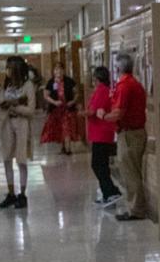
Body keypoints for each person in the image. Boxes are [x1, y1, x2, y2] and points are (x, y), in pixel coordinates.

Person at [99, 52, 147, 221]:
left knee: (130, 173)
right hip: (135, 132)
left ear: (118, 67)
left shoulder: (124, 86)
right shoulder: (135, 84)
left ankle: (136, 210)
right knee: (133, 171)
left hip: (129, 134)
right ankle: (136, 207)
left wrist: (103, 116)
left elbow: (118, 112)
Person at [0, 55, 36, 209]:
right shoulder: (5, 85)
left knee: (21, 160)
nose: (6, 71)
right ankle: (11, 193)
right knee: (7, 159)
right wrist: (6, 107)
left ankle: (22, 194)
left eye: (9, 68)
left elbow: (31, 110)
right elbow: (0, 106)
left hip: (22, 125)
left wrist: (15, 107)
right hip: (7, 125)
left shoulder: (28, 86)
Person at [85, 66, 122, 207]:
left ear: (98, 78)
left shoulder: (102, 91)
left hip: (101, 133)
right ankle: (108, 193)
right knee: (102, 165)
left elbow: (93, 111)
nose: (93, 80)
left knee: (97, 164)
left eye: (94, 77)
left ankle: (111, 191)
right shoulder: (102, 91)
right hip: (101, 133)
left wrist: (82, 113)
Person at [41, 62, 77, 155]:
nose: (58, 71)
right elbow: (46, 95)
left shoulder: (69, 81)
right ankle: (63, 147)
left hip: (67, 109)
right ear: (53, 71)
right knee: (59, 129)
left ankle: (68, 149)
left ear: (64, 70)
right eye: (56, 69)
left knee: (67, 128)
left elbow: (77, 93)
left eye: (60, 69)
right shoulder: (51, 82)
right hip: (55, 110)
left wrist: (72, 101)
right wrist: (54, 102)